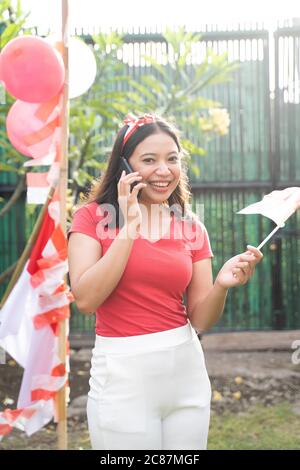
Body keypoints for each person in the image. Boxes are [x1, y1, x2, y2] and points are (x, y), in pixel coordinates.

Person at [67, 113, 263, 450]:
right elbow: (86, 300)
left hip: (185, 374)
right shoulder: (91, 219)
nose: (163, 170)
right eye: (149, 160)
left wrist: (221, 285)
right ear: (124, 166)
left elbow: (200, 318)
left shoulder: (190, 226)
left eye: (172, 159)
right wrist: (129, 227)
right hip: (123, 379)